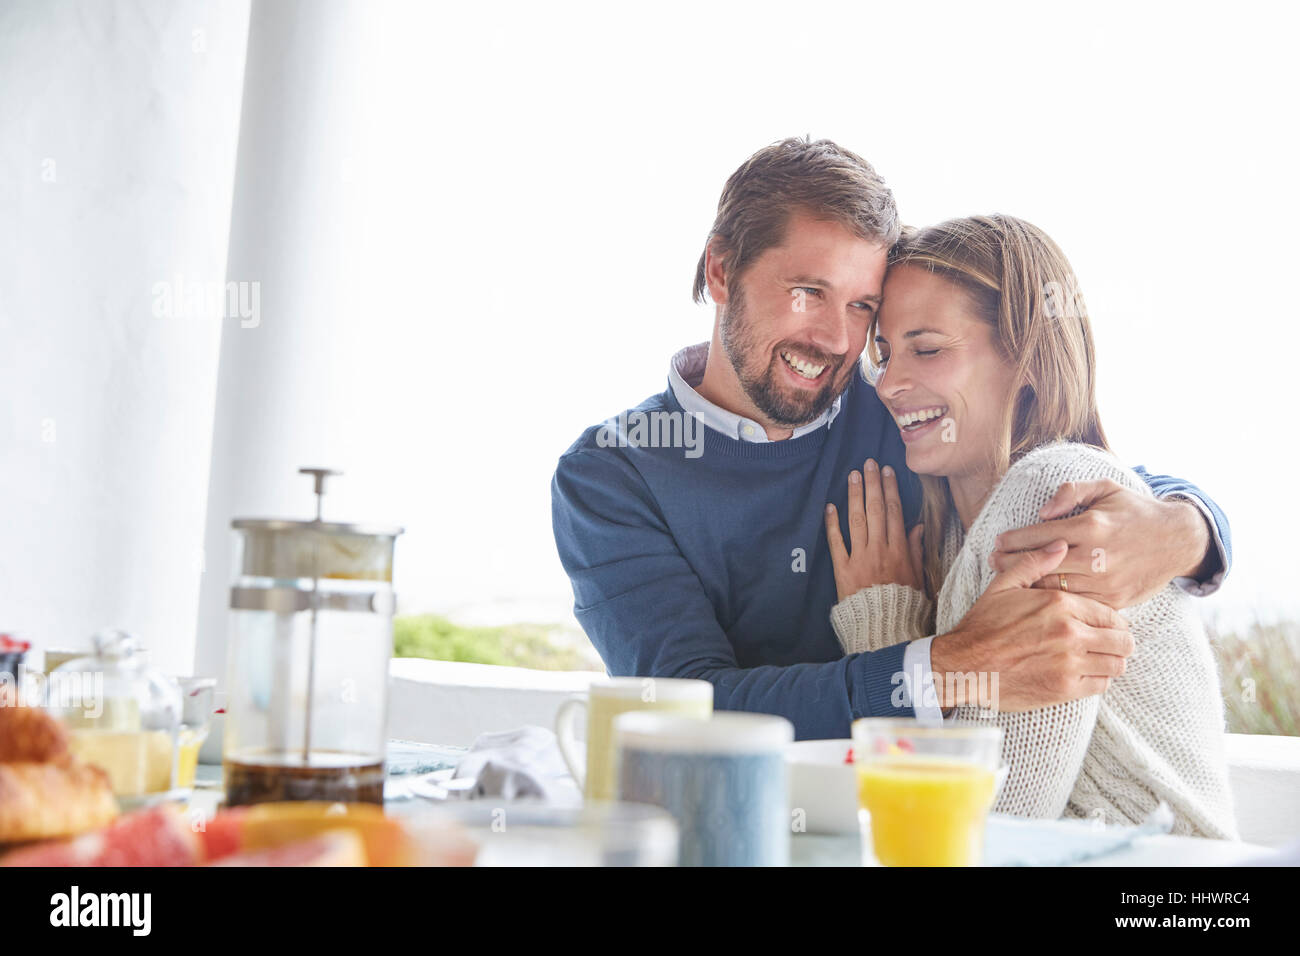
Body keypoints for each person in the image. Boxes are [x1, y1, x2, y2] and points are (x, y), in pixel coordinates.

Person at [550, 137, 1230, 741]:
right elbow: (691, 707)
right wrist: (950, 669)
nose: (837, 341)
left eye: (861, 307)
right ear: (722, 271)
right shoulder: (610, 477)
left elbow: (1063, 466)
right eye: (808, 292)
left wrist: (1187, 528)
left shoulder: (904, 417)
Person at [825, 215, 1235, 836]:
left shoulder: (1051, 495)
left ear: (1032, 363)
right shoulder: (955, 538)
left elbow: (974, 826)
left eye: (927, 348)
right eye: (884, 354)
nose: (889, 383)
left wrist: (880, 628)